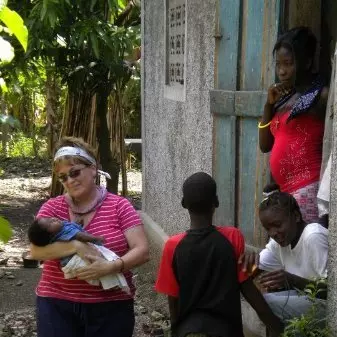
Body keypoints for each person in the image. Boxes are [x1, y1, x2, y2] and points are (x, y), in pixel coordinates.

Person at [29, 137, 149, 337]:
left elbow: (142, 251)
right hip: (56, 304)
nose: (70, 180)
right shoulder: (52, 208)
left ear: (93, 168)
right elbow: (34, 251)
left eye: (75, 172)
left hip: (110, 306)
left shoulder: (119, 206)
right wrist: (76, 246)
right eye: (63, 177)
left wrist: (112, 266)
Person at [155, 172, 284, 337]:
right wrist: (278, 327)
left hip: (189, 331)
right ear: (216, 202)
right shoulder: (232, 237)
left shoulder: (172, 246)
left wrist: (175, 331)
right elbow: (246, 287)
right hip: (226, 331)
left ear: (183, 203)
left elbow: (173, 300)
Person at [259, 27, 329, 223]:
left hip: (307, 189)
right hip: (283, 194)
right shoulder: (282, 98)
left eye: (288, 64)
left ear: (307, 62)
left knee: (306, 245)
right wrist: (268, 106)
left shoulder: (320, 96)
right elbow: (265, 145)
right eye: (278, 64)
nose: (282, 71)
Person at [240, 184, 328, 323]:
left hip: (329, 307)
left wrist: (292, 280)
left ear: (296, 216)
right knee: (259, 298)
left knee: (265, 304)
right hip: (309, 300)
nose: (273, 233)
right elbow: (252, 271)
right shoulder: (279, 243)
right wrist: (247, 266)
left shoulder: (313, 236)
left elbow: (332, 291)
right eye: (268, 228)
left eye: (278, 225)